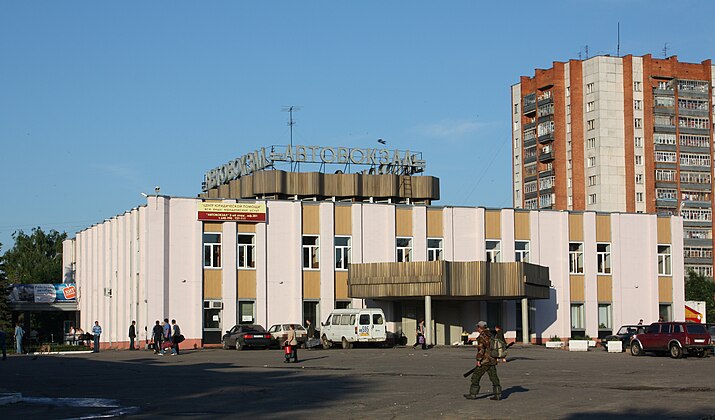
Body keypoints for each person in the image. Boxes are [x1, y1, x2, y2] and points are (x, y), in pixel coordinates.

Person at [464, 321, 501, 401]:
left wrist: (478, 360)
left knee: (476, 376)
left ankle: (473, 394)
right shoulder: (491, 334)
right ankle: (497, 395)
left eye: (477, 327)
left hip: (485, 360)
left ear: (479, 327)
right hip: (492, 359)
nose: (477, 329)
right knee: (494, 377)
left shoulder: (482, 336)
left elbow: (481, 349)